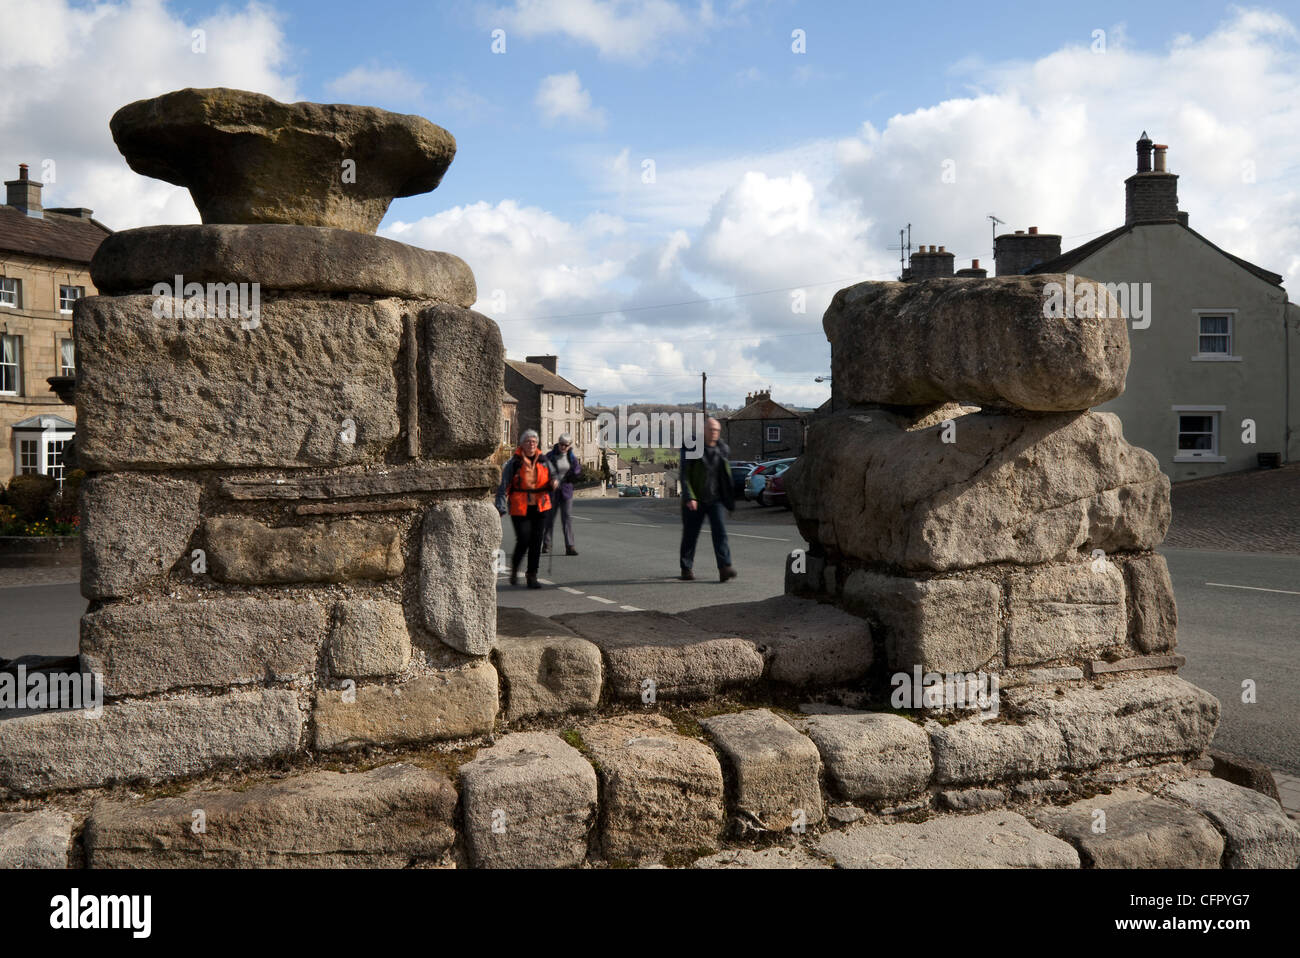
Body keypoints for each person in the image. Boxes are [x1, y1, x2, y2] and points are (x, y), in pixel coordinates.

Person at [495, 428, 557, 589]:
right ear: (522, 444)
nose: (531, 444)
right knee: (523, 539)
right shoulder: (513, 462)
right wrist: (500, 506)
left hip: (541, 505)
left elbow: (553, 476)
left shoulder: (544, 460)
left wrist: (554, 483)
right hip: (519, 506)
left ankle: (532, 575)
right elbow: (503, 485)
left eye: (534, 441)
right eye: (528, 441)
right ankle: (515, 568)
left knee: (536, 542)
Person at [679, 417, 737, 582]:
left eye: (717, 430)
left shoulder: (722, 449)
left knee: (720, 532)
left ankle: (724, 567)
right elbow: (685, 475)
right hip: (695, 499)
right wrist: (690, 497)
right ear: (704, 430)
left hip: (715, 499)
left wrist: (729, 500)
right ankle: (686, 567)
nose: (714, 433)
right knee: (691, 534)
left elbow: (725, 476)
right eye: (711, 430)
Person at [542, 433, 581, 556]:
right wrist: (550, 480)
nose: (563, 447)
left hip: (566, 491)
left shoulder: (571, 457)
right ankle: (547, 544)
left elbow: (577, 470)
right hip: (552, 492)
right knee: (549, 518)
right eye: (561, 444)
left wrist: (571, 476)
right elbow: (543, 470)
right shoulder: (550, 456)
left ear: (569, 446)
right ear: (558, 443)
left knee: (567, 518)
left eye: (566, 445)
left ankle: (570, 546)